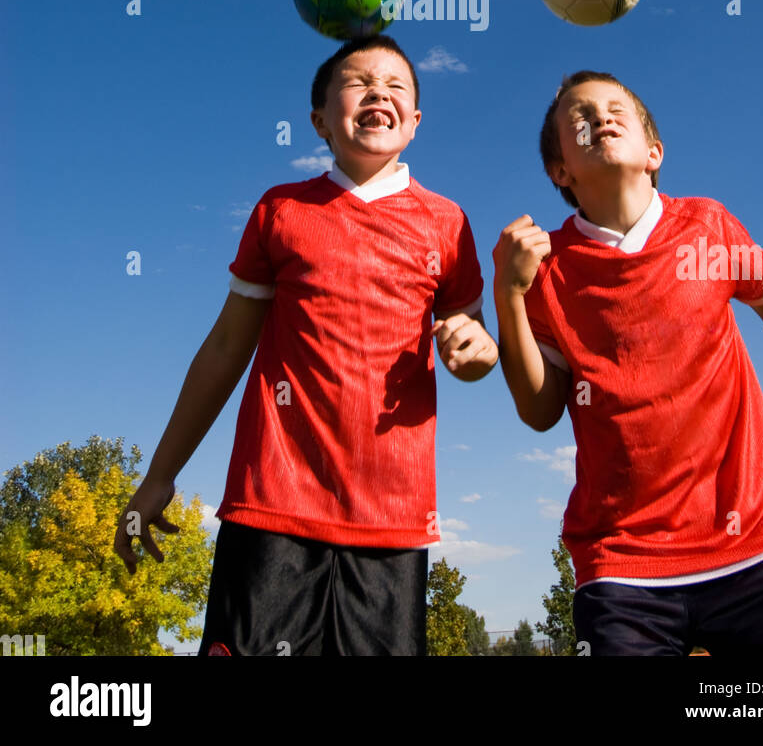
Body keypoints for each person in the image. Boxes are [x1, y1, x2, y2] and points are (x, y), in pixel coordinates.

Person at [114, 34, 497, 656]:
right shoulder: (281, 210)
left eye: (396, 84)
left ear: (416, 122)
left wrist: (481, 353)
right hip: (272, 510)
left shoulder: (447, 223)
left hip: (392, 524)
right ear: (319, 119)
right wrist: (161, 474)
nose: (378, 90)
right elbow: (223, 350)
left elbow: (473, 346)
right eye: (356, 81)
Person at [494, 70, 763, 657]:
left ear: (654, 151)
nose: (600, 116)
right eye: (578, 116)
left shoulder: (707, 226)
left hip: (756, 542)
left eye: (617, 108)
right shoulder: (546, 269)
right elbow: (540, 410)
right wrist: (508, 294)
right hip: (622, 565)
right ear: (559, 171)